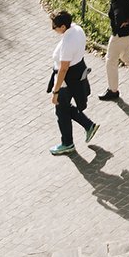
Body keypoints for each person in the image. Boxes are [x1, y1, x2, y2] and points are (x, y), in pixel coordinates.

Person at [47, 9, 99, 156]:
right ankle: (89, 125)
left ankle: (67, 143)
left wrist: (56, 91)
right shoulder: (77, 29)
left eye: (55, 27)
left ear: (63, 27)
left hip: (66, 81)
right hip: (76, 75)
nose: (54, 29)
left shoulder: (68, 43)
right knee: (64, 108)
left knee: (61, 110)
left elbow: (63, 69)